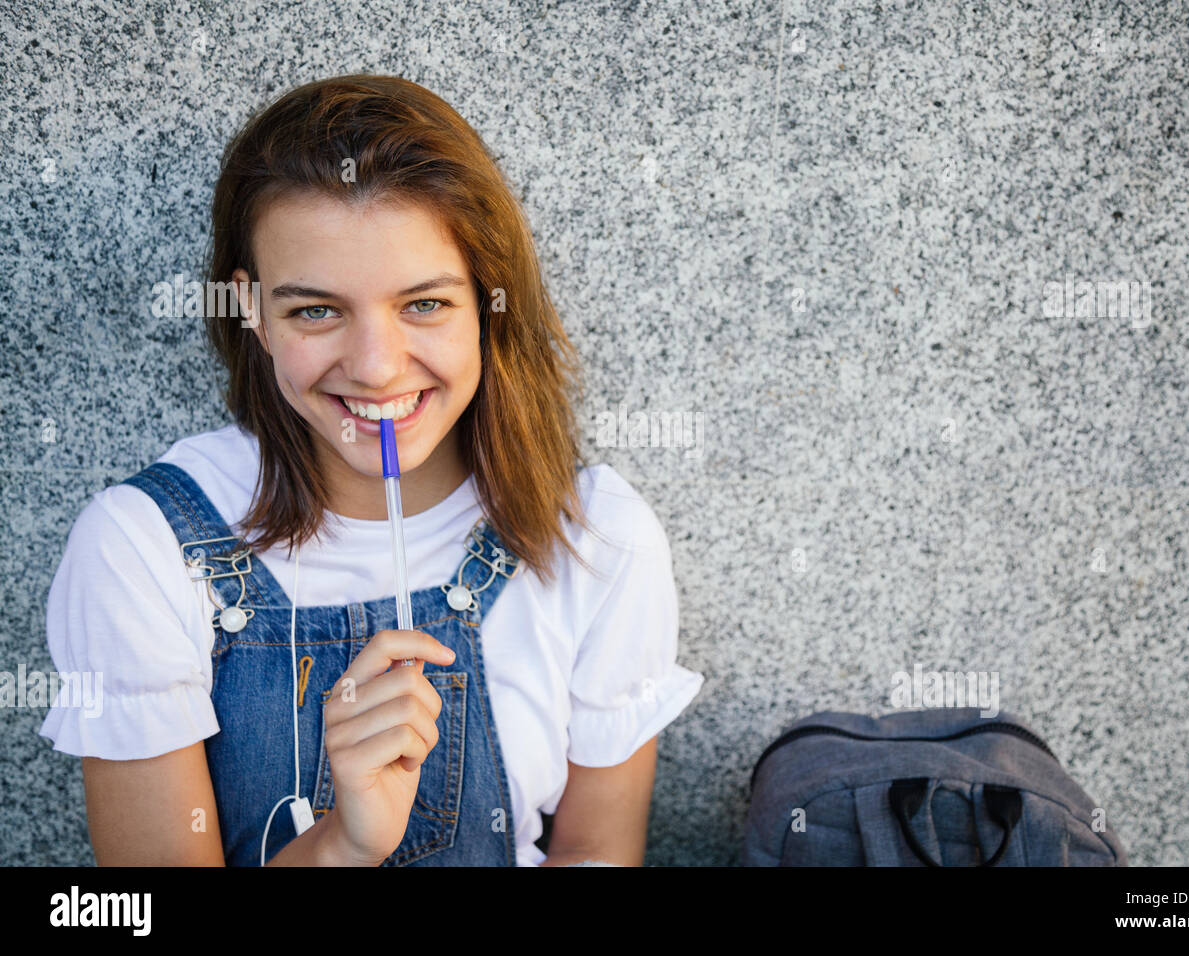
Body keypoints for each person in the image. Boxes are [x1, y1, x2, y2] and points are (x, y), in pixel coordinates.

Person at [38, 74, 704, 867]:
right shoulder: (142, 548)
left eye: (424, 304)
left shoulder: (598, 536)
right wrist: (340, 847)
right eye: (315, 310)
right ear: (250, 309)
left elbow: (597, 852)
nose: (378, 368)